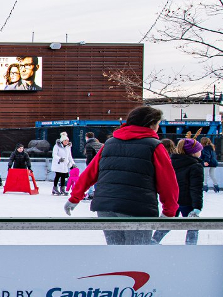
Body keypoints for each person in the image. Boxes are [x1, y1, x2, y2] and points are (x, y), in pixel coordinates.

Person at [66, 105, 179, 245]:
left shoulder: (110, 143)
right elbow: (167, 181)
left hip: (106, 206)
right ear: (151, 124)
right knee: (136, 254)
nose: (158, 127)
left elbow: (90, 172)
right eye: (157, 124)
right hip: (137, 207)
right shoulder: (154, 146)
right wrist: (169, 211)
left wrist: (75, 197)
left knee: (116, 252)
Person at [152, 138, 203, 245]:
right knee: (193, 226)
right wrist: (197, 206)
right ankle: (191, 247)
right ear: (193, 152)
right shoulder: (195, 166)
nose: (201, 152)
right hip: (187, 201)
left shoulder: (171, 161)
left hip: (173, 199)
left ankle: (154, 241)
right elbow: (196, 188)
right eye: (199, 150)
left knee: (168, 222)